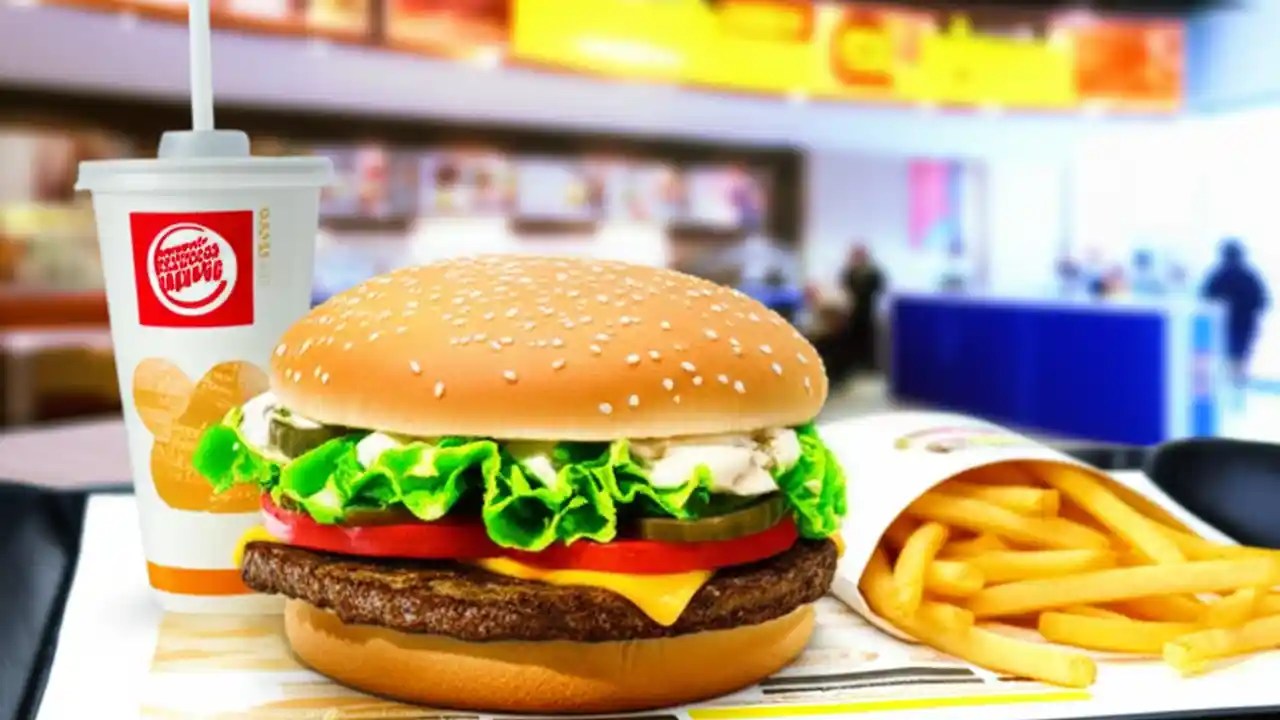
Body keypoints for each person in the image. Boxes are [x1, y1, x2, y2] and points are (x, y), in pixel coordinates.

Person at [1202, 238, 1269, 390]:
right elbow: (1262, 301)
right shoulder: (1249, 276)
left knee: (1222, 357)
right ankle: (1238, 387)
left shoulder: (1217, 275)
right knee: (1240, 357)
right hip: (1245, 324)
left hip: (1222, 325)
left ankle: (1226, 387)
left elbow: (1205, 300)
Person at [841, 243, 885, 373]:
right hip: (851, 311)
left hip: (867, 311)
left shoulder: (873, 272)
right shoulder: (849, 271)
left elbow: (878, 287)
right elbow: (844, 287)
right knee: (851, 338)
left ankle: (867, 365)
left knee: (867, 339)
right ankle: (853, 364)